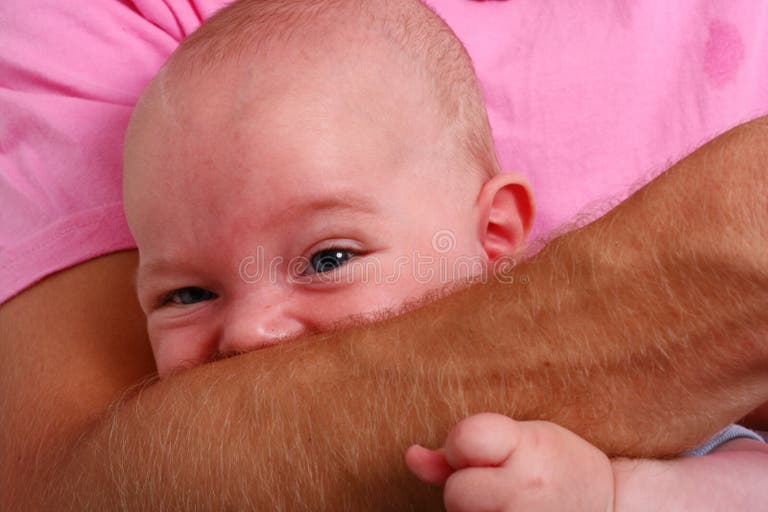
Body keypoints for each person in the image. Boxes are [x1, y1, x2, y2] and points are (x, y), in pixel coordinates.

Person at [2, 0, 767, 509]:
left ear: (496, 236)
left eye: (328, 260)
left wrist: (618, 494)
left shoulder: (624, 417)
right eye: (186, 295)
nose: (249, 332)